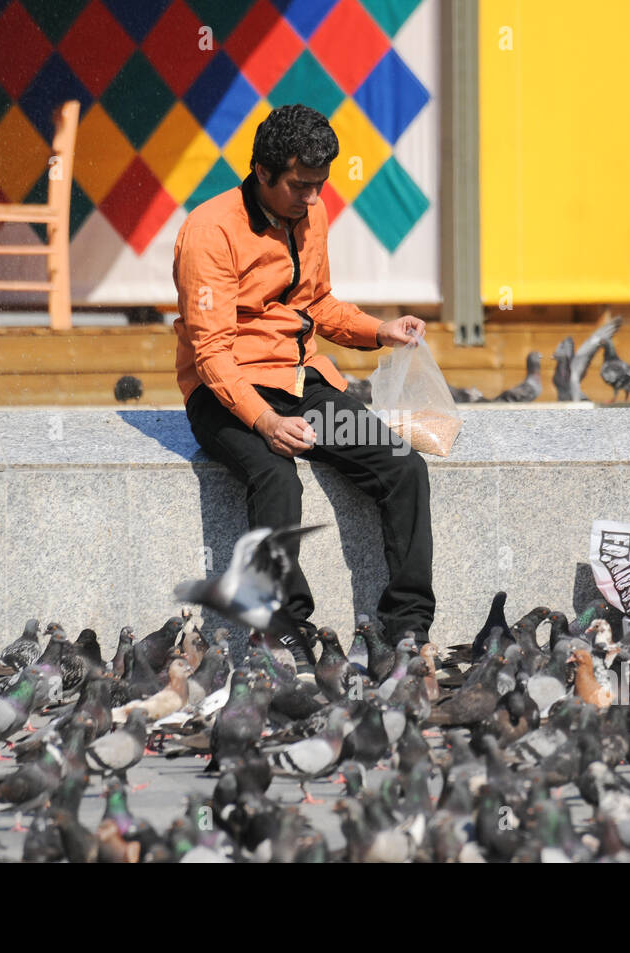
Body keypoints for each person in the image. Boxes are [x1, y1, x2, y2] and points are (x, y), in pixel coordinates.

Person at [173, 104, 435, 674]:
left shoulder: (308, 214)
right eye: (301, 185)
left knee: (403, 466)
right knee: (275, 477)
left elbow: (317, 305)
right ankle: (282, 632)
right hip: (225, 393)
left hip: (303, 383)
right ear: (263, 172)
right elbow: (211, 353)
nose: (313, 199)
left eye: (320, 186)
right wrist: (265, 423)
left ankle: (408, 628)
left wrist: (378, 331)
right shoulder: (209, 230)